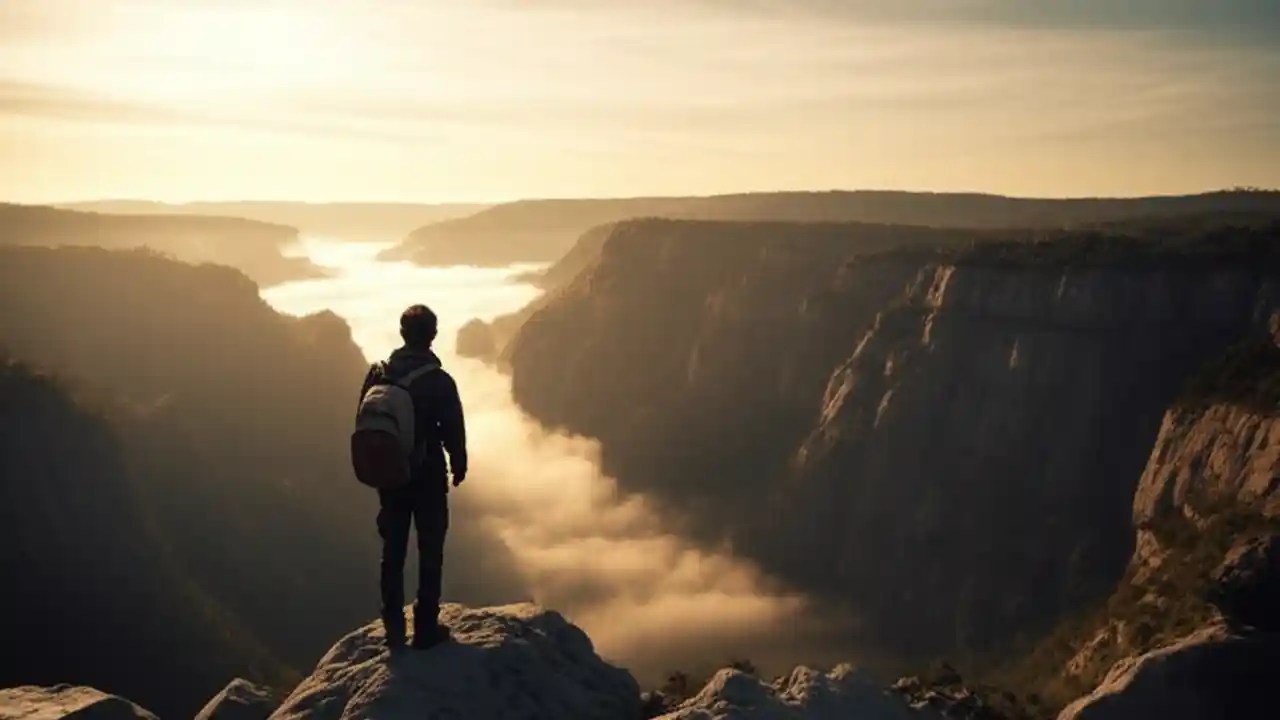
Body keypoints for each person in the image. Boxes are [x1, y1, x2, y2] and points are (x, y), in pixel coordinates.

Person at [359, 304, 467, 650]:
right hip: (427, 475)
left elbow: (366, 419)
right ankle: (424, 628)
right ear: (433, 335)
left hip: (390, 475)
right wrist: (459, 464)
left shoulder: (379, 373)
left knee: (392, 551)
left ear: (402, 333)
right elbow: (453, 429)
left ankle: (393, 628)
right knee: (429, 549)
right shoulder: (439, 381)